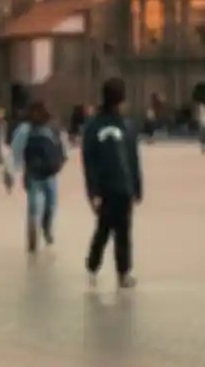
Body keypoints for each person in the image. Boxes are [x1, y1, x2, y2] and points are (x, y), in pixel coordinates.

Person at [81, 78, 143, 288]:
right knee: (106, 230)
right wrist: (93, 191)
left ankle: (121, 271)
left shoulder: (103, 126)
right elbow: (132, 159)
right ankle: (94, 265)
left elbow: (132, 158)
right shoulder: (103, 126)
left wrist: (136, 186)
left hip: (118, 188)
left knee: (122, 231)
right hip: (112, 188)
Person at [10, 101, 66, 252]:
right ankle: (32, 242)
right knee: (34, 208)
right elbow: (15, 151)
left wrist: (60, 162)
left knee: (50, 207)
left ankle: (46, 230)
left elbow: (62, 148)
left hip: (49, 175)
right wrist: (10, 172)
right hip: (33, 175)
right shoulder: (25, 130)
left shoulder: (52, 129)